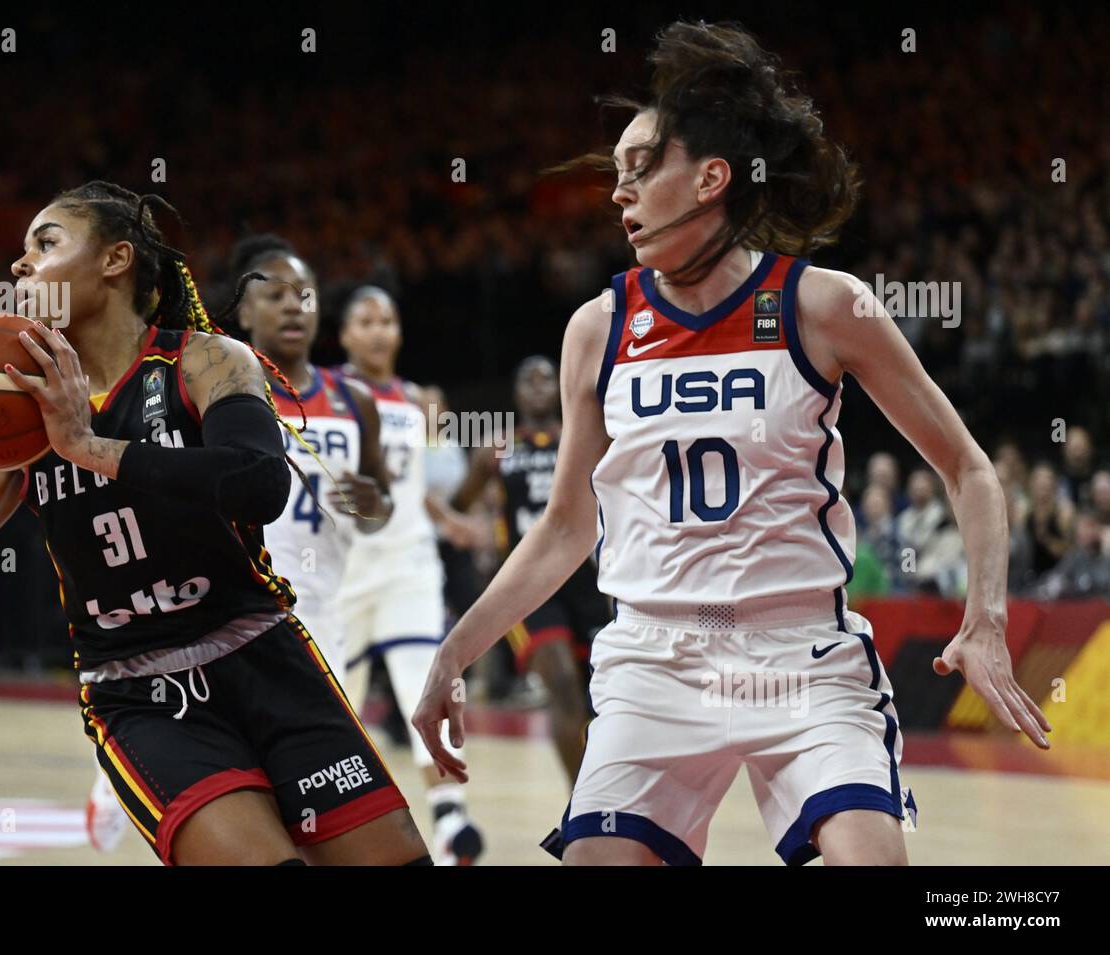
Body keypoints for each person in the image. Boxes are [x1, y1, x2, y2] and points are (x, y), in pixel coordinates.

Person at [414, 21, 1050, 867]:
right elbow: (568, 526)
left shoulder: (824, 304)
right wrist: (453, 651)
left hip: (801, 653)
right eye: (616, 175)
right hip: (653, 659)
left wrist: (988, 617)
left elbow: (969, 467)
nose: (618, 193)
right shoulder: (597, 328)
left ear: (712, 178)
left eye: (640, 168)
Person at [0, 182, 428, 866]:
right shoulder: (24, 413)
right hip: (139, 690)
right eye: (21, 252)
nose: (21, 266)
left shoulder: (206, 360)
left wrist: (91, 449)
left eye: (46, 243)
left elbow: (257, 484)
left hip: (264, 656)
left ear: (116, 260)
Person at [337, 286, 484, 865]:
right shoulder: (329, 393)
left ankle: (451, 818)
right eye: (365, 322)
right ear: (345, 334)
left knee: (429, 688)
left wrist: (452, 521)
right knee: (336, 712)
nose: (378, 331)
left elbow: (422, 486)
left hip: (408, 569)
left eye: (387, 321)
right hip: (341, 574)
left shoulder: (420, 399)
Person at [232, 232, 393, 680]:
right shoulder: (221, 393)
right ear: (245, 311)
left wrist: (372, 504)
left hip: (323, 610)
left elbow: (378, 510)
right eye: (275, 296)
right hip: (237, 611)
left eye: (304, 295)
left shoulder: (356, 401)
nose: (292, 307)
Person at [448, 355, 612, 781]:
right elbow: (460, 506)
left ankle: (609, 794)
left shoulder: (583, 439)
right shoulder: (496, 449)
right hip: (529, 583)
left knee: (600, 696)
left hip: (587, 579)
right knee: (559, 685)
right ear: (516, 392)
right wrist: (475, 528)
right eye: (529, 379)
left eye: (546, 379)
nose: (539, 386)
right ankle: (581, 806)